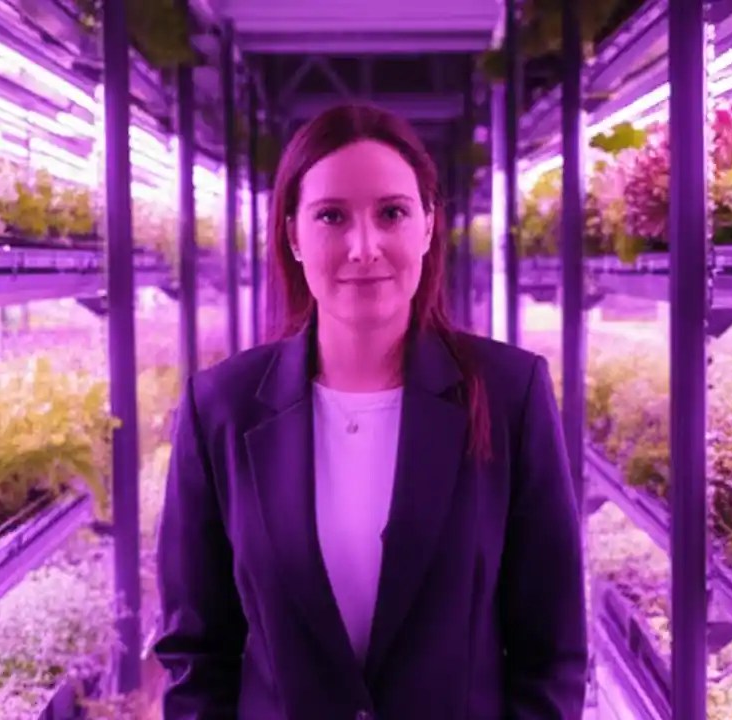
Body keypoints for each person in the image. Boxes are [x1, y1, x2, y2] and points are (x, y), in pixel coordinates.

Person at [154, 102, 588, 720]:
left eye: (392, 213)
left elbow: (552, 650)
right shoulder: (220, 409)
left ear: (429, 226)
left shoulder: (510, 394)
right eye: (332, 216)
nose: (364, 247)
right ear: (292, 236)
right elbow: (197, 653)